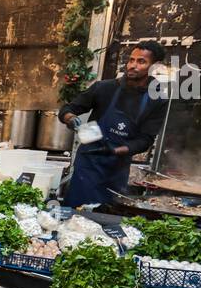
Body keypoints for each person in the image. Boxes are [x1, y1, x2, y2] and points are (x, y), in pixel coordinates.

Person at [57, 40, 170, 208]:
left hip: (117, 170)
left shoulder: (157, 99)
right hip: (89, 165)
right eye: (131, 60)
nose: (133, 65)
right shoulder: (104, 88)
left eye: (141, 62)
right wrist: (71, 119)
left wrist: (115, 150)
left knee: (108, 215)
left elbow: (145, 140)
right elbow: (67, 109)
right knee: (76, 212)